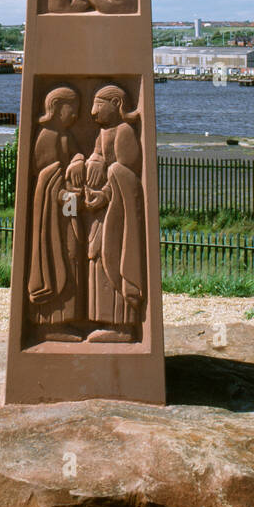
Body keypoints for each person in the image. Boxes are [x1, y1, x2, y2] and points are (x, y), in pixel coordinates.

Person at [82, 85, 145, 341]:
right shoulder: (103, 132)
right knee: (97, 260)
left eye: (99, 104)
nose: (93, 111)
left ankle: (121, 326)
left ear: (116, 103)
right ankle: (105, 321)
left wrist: (105, 194)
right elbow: (96, 156)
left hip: (115, 212)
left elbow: (124, 171)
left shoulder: (124, 131)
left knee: (113, 259)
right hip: (100, 211)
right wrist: (87, 161)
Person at [26, 86, 86, 341]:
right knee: (58, 257)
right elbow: (45, 177)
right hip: (53, 210)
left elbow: (74, 157)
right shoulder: (46, 135)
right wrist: (65, 192)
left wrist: (78, 160)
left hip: (67, 206)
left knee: (73, 255)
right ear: (57, 107)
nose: (75, 115)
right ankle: (50, 324)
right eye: (72, 110)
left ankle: (67, 320)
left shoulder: (66, 135)